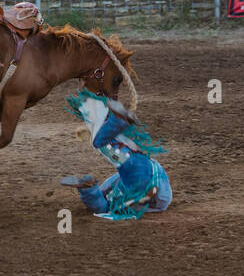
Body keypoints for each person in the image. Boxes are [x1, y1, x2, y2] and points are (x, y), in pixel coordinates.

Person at [60, 89, 171, 220]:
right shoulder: (119, 189)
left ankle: (116, 121)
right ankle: (116, 121)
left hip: (144, 165)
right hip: (142, 175)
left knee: (106, 148)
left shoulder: (117, 187)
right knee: (107, 205)